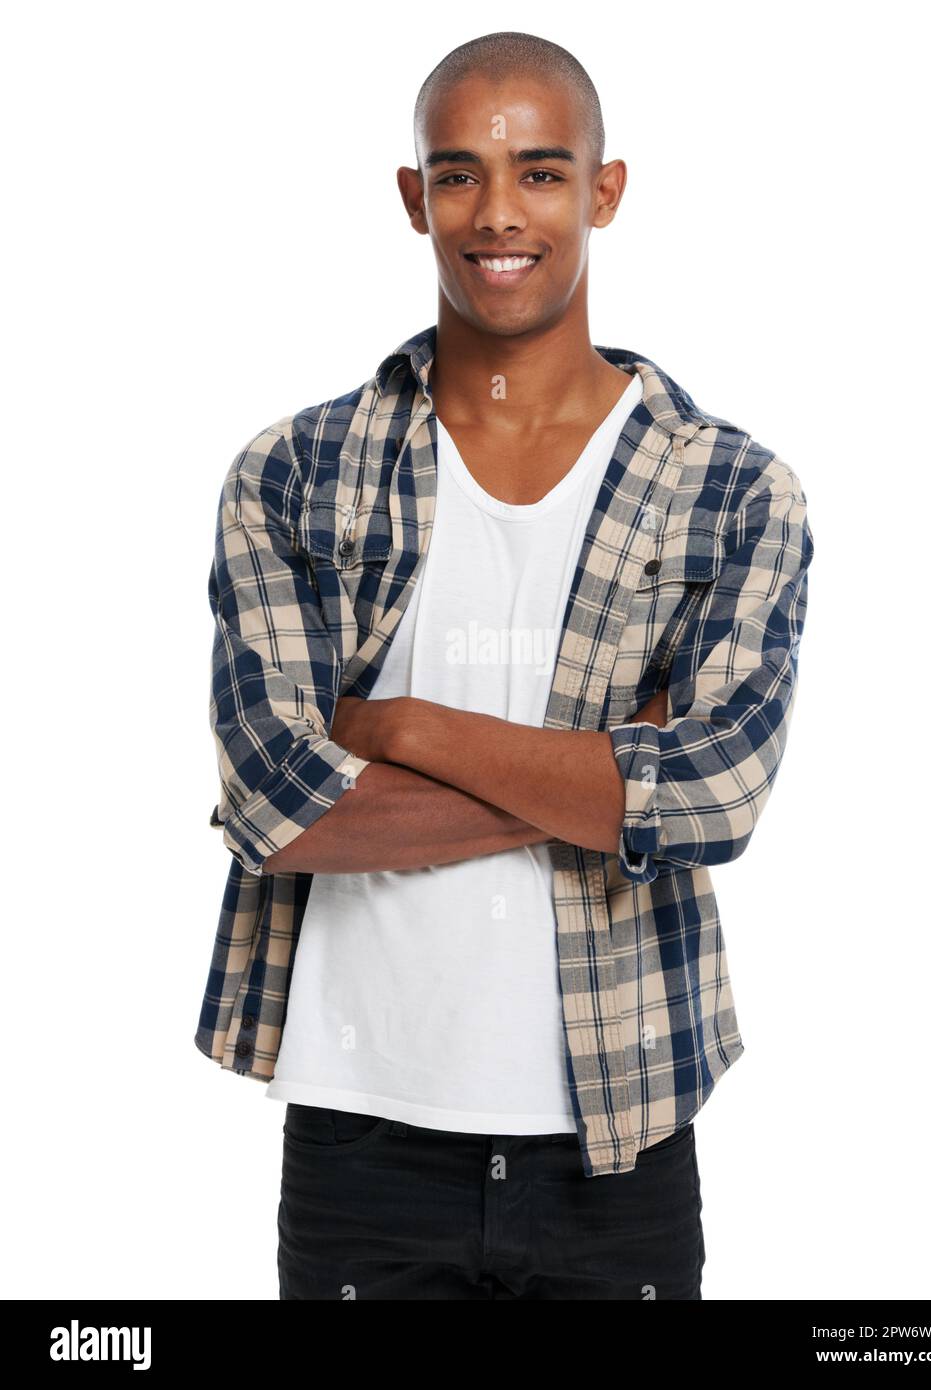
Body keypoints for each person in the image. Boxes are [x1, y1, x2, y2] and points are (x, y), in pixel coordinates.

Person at [195, 30, 814, 1301]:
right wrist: (597, 778)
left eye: (539, 172)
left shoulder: (729, 490)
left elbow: (710, 799)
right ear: (414, 198)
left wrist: (402, 726)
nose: (497, 214)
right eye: (459, 174)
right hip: (360, 1134)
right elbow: (276, 808)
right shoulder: (294, 474)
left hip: (619, 1132)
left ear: (604, 189)